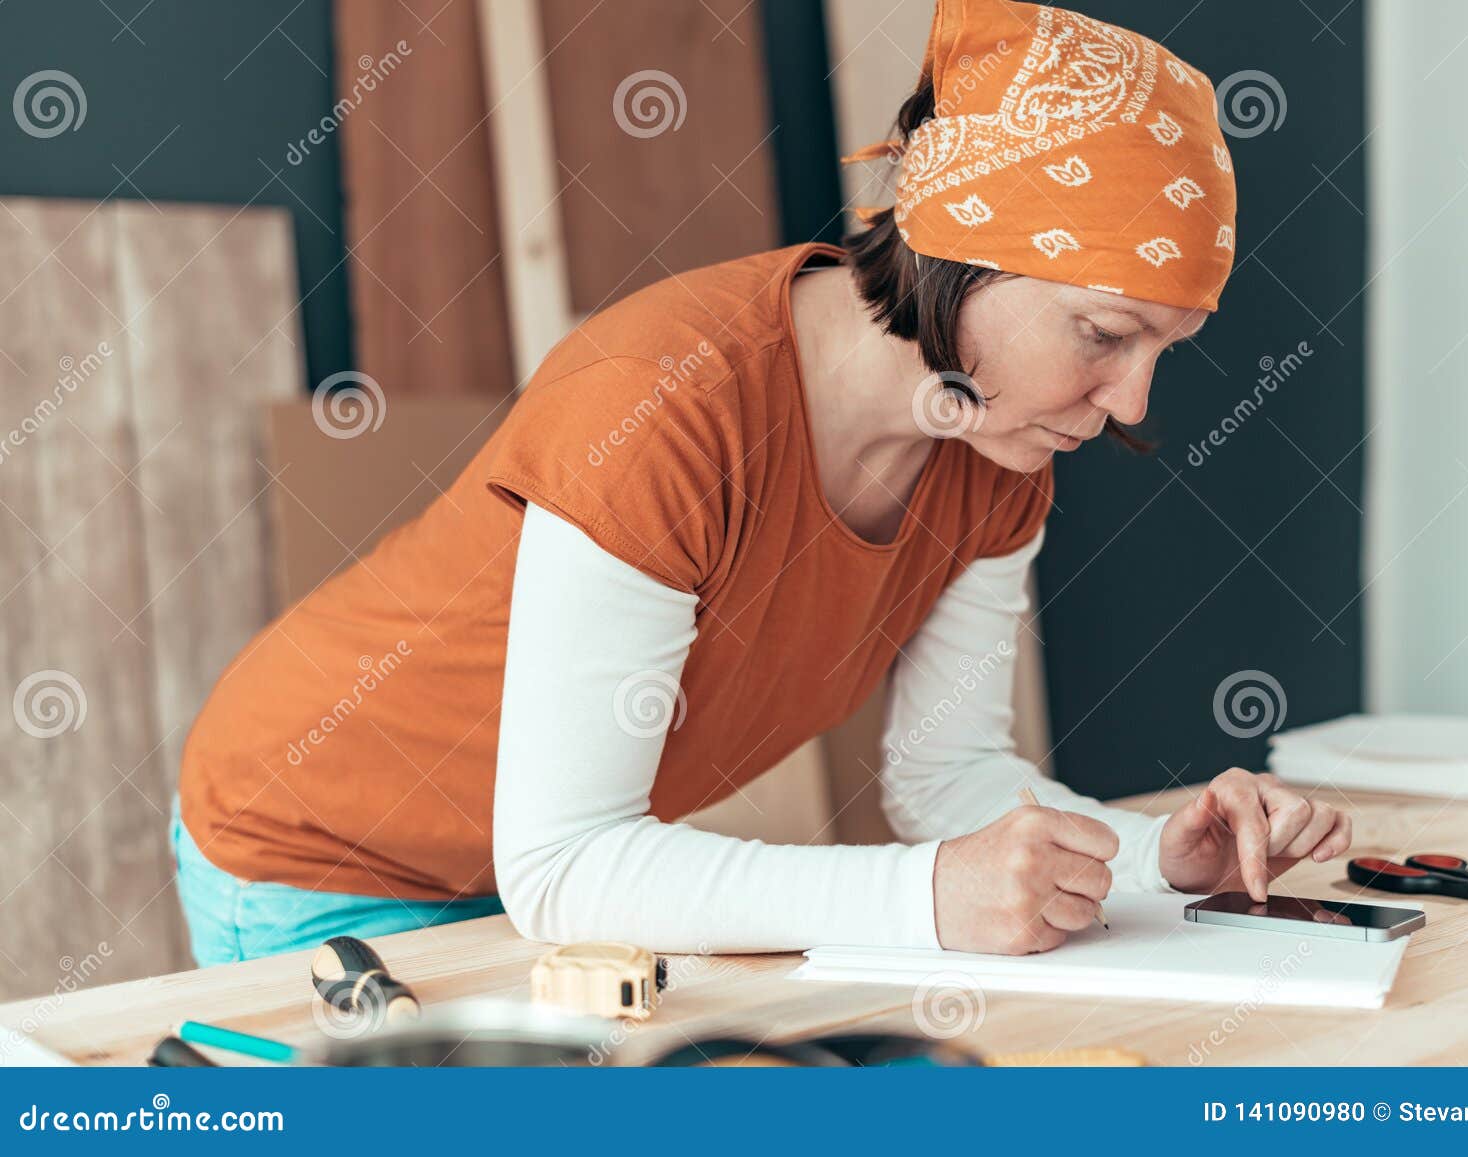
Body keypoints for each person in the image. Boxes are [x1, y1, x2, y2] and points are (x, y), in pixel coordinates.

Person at [172, 0, 1351, 965]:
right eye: (1102, 331)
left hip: (536, 877)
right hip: (320, 852)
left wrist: (1156, 857)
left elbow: (944, 775)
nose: (1133, 401)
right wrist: (927, 897)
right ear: (959, 249)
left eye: (1163, 349)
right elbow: (566, 863)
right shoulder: (662, 405)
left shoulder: (1000, 456)